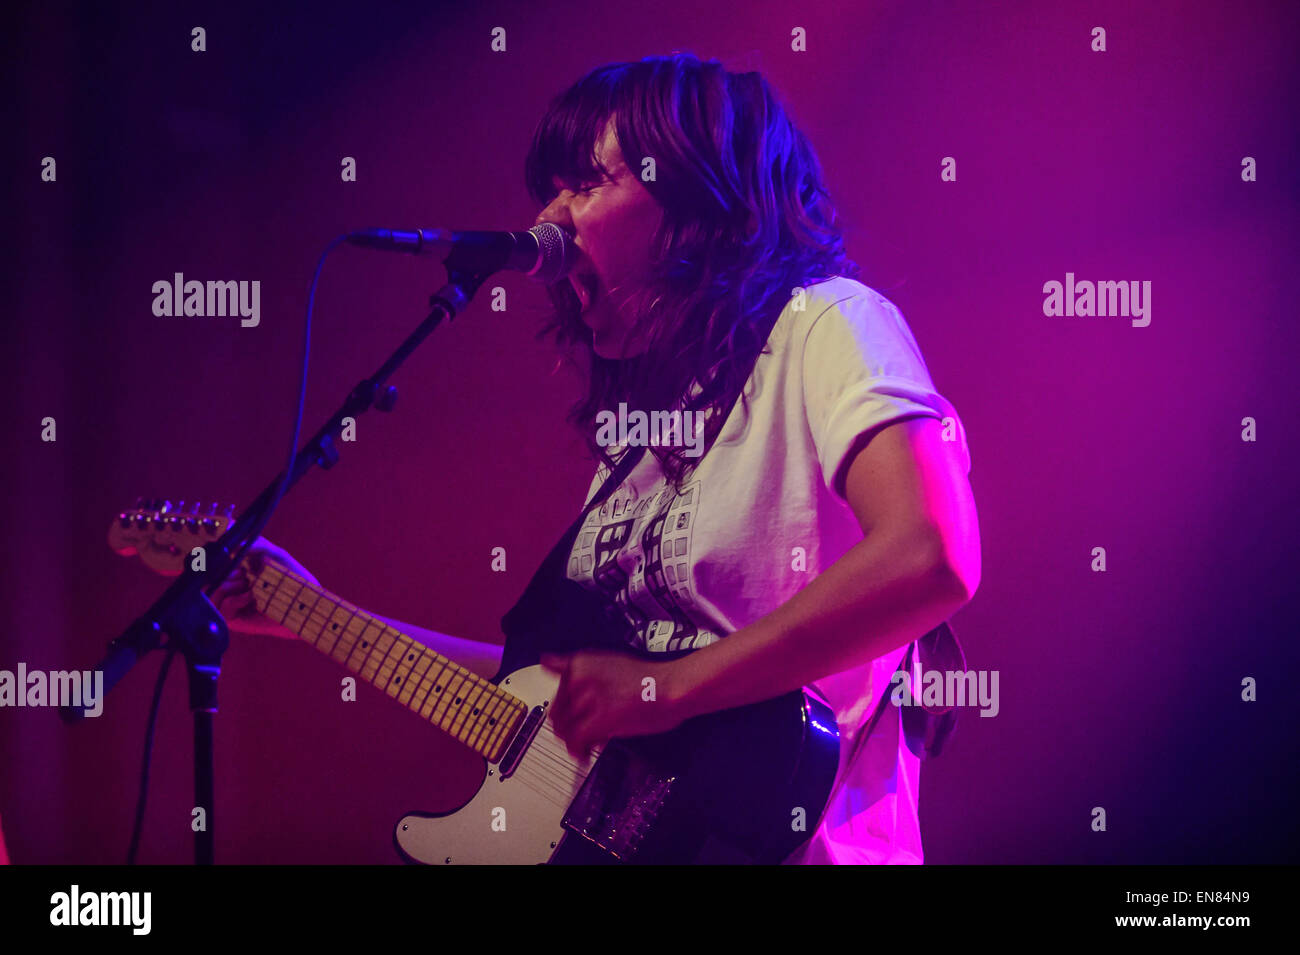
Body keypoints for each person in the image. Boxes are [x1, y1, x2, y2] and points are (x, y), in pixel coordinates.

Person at [215, 52, 980, 865]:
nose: (549, 218)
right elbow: (553, 691)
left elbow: (931, 556)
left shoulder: (826, 324)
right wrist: (317, 612)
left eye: (586, 182)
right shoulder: (639, 439)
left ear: (699, 200)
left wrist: (667, 688)